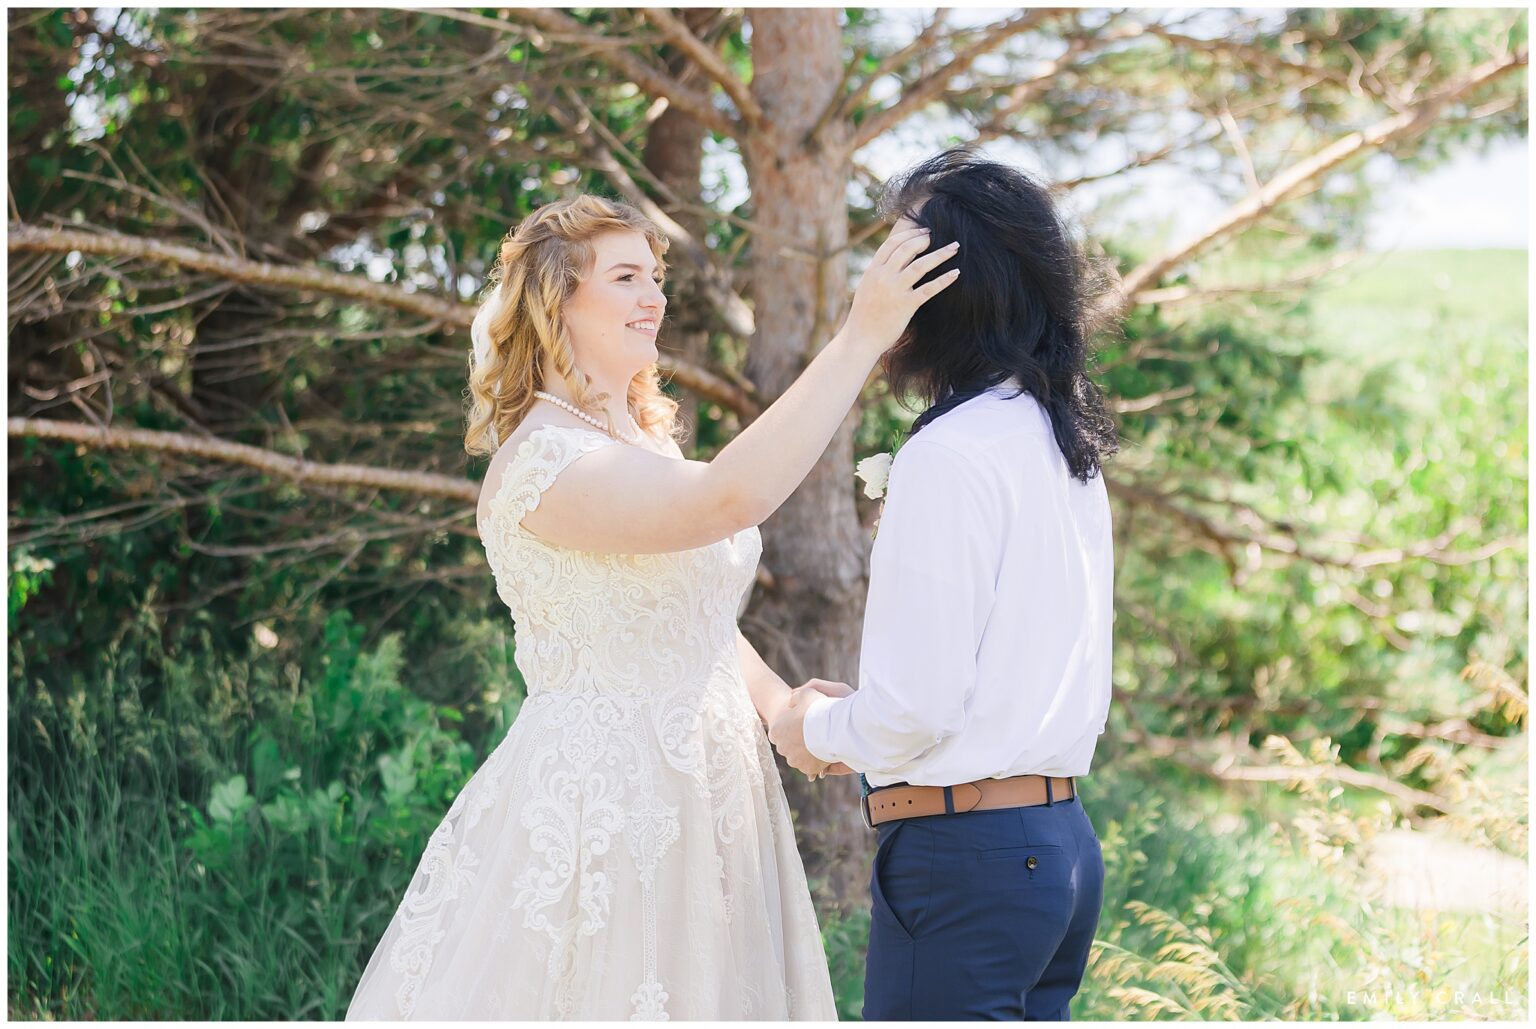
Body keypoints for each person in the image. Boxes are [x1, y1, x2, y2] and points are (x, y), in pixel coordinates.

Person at [344, 194, 958, 1020]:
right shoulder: (542, 462)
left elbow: (688, 614)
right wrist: (859, 337)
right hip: (609, 803)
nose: (656, 298)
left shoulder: (638, 442)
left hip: (712, 795)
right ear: (555, 300)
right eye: (628, 276)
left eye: (657, 276)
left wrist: (781, 706)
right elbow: (728, 498)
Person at [769, 146, 1121, 1021]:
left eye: (894, 256)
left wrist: (811, 725)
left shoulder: (950, 453)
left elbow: (917, 709)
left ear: (937, 286)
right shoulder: (1059, 441)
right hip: (1060, 846)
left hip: (968, 856)